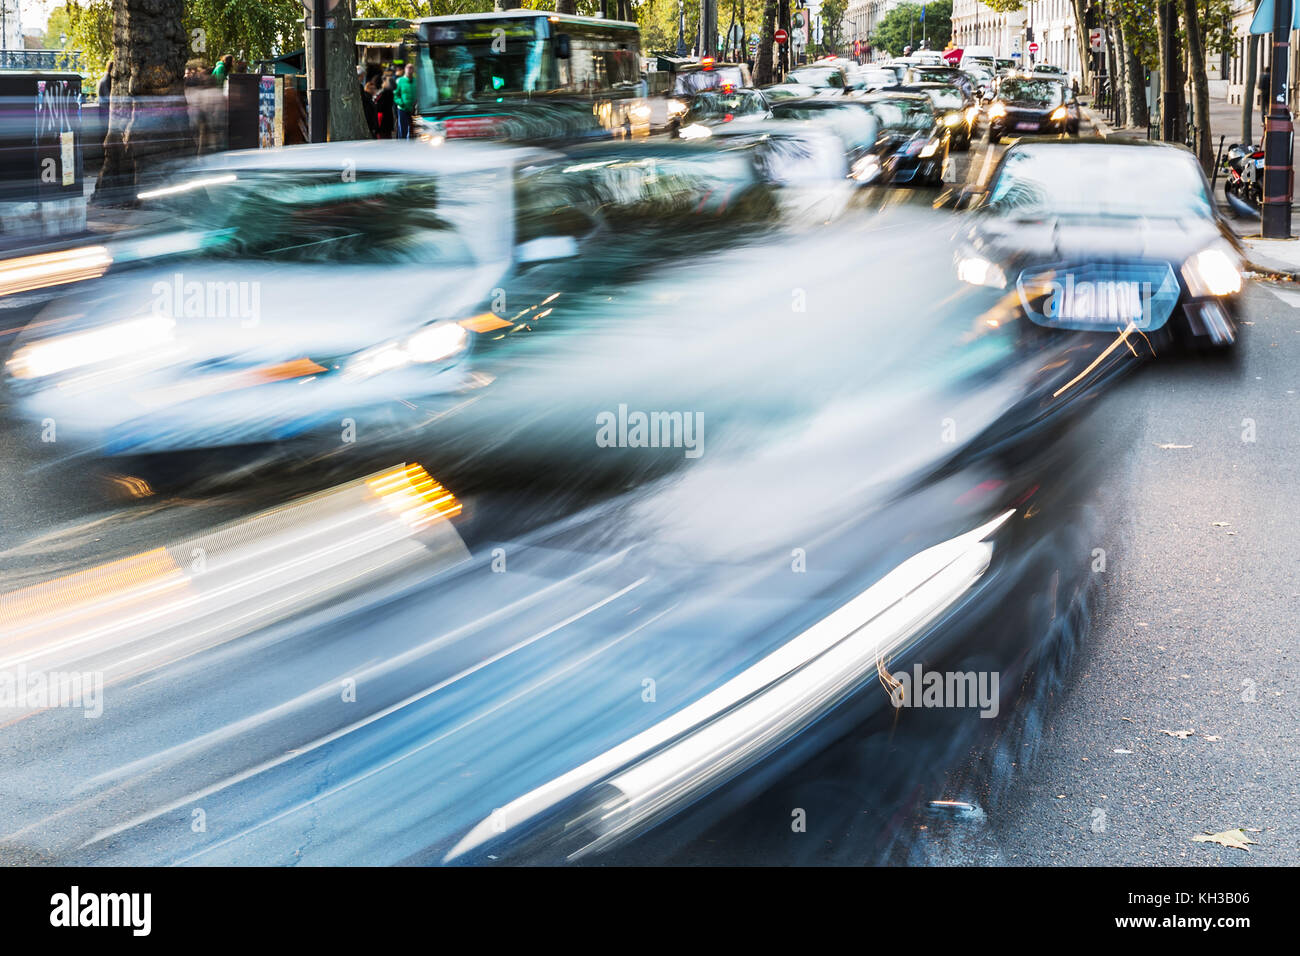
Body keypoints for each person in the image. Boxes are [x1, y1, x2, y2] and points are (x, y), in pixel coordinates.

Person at [394, 62, 416, 139]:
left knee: (413, 130)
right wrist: (401, 103)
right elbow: (396, 94)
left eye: (411, 68)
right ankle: (402, 145)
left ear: (413, 70)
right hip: (402, 109)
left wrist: (416, 104)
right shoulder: (400, 80)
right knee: (403, 129)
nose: (409, 70)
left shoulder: (416, 81)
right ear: (405, 70)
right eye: (408, 68)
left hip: (413, 109)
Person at [374, 74, 395, 139]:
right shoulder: (388, 93)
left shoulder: (386, 93)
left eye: (385, 81)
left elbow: (381, 107)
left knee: (383, 135)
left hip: (383, 118)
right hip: (387, 118)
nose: (383, 82)